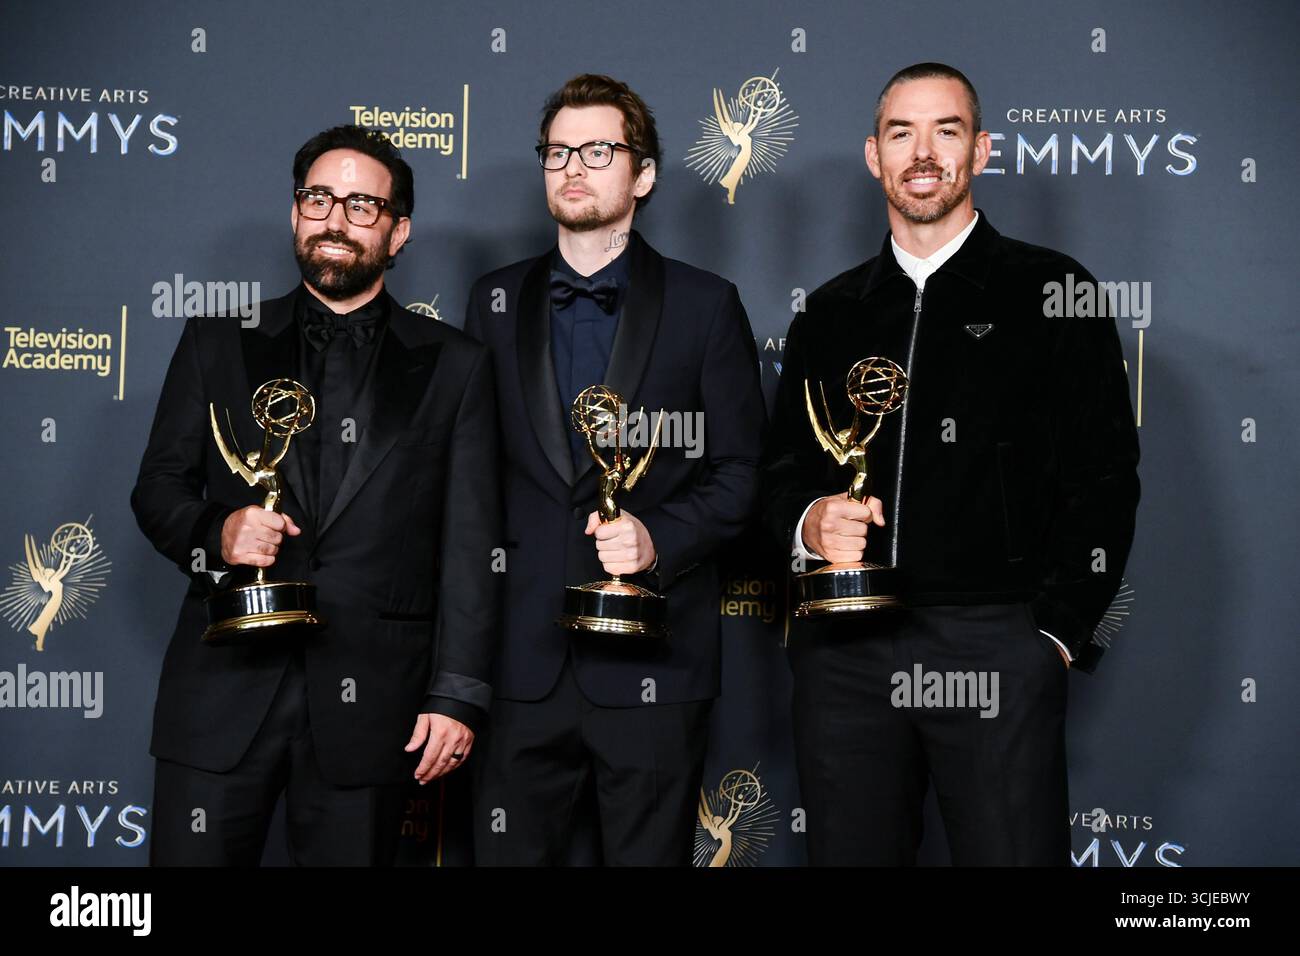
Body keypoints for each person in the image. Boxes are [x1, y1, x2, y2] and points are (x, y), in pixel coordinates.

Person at [760, 63, 1140, 865]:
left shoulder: (1052, 291)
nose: (922, 152)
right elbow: (783, 467)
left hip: (996, 643)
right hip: (846, 650)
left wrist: (1054, 637)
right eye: (902, 133)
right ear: (874, 156)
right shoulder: (829, 313)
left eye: (947, 130)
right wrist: (809, 519)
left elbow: (1104, 476)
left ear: (982, 149)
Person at [132, 124, 501, 865]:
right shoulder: (216, 340)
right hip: (222, 691)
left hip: (378, 709)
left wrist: (456, 693)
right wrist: (217, 531)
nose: (336, 219)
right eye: (320, 198)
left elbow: (473, 543)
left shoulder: (456, 367)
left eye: (362, 205)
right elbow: (158, 488)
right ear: (296, 212)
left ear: (399, 233)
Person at [464, 74, 766, 865]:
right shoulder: (491, 304)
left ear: (645, 174)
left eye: (599, 150)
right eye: (558, 151)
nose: (574, 167)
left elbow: (740, 471)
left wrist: (657, 540)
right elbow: (465, 485)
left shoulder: (707, 305)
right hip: (517, 668)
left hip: (653, 666)